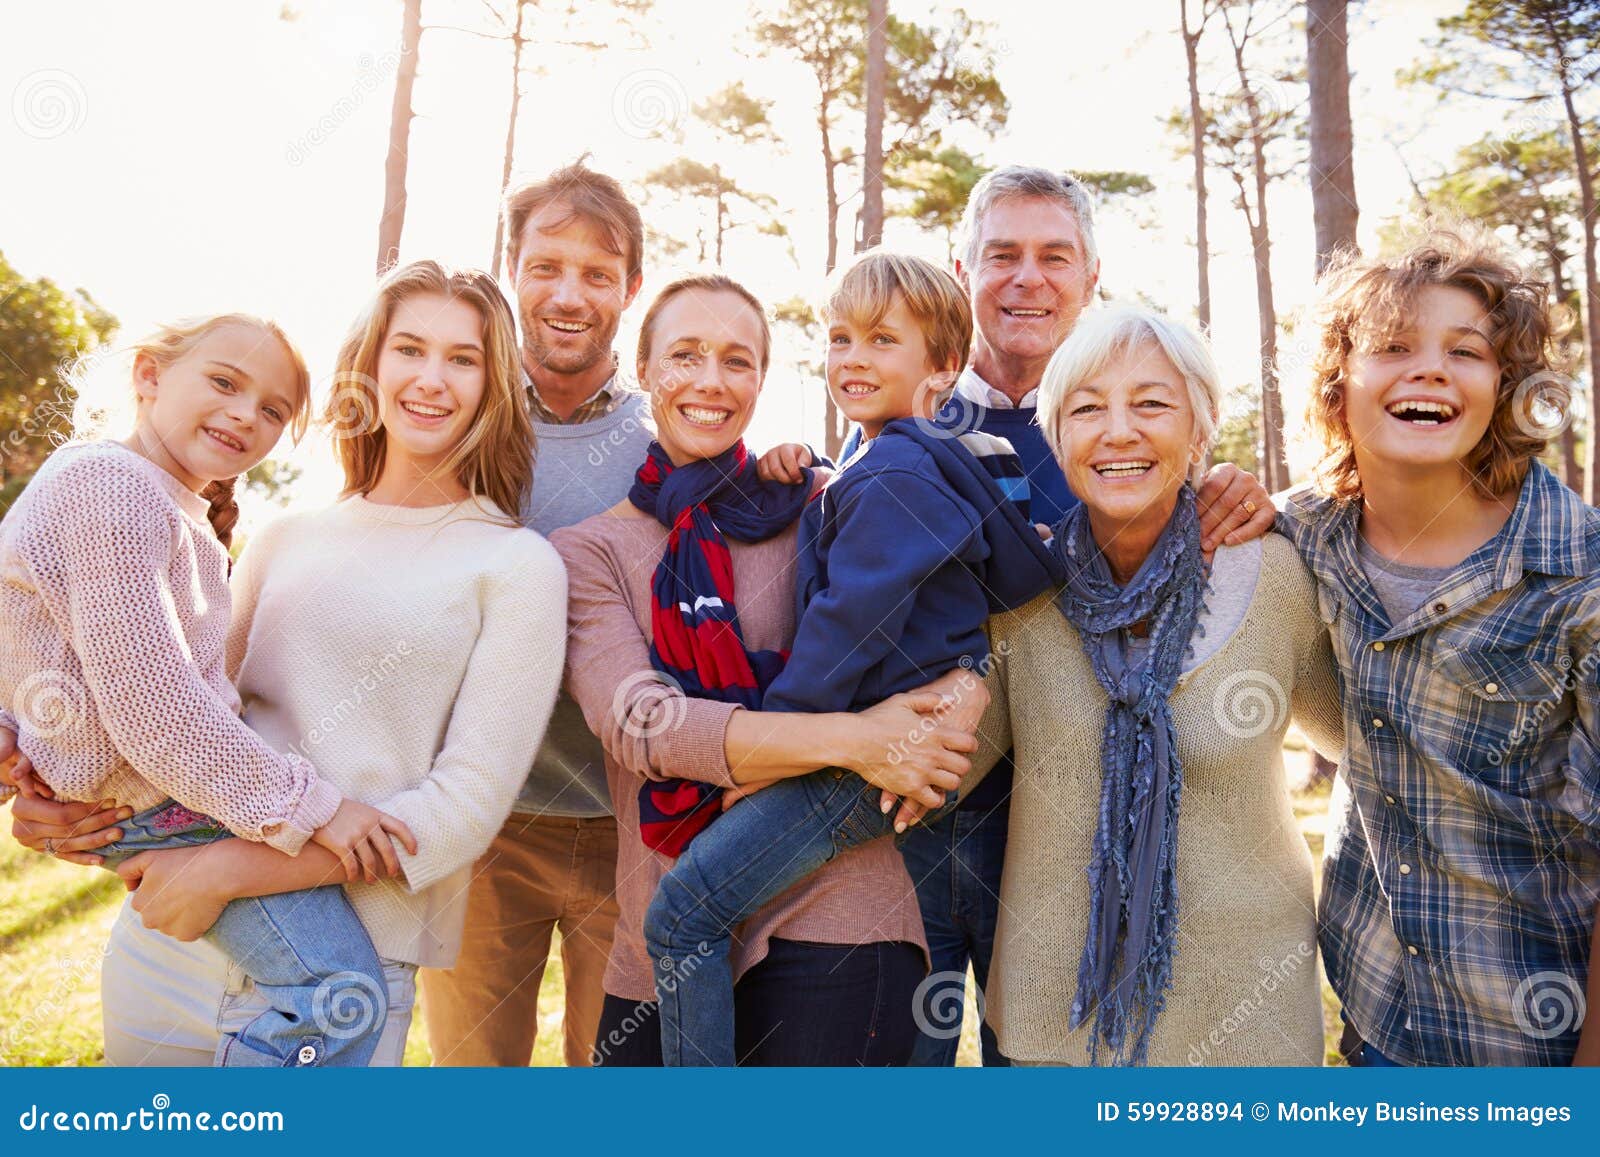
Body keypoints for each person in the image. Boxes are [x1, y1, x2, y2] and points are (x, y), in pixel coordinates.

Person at [761, 165, 1277, 1064]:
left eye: (1053, 257)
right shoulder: (897, 410)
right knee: (893, 1061)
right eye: (1002, 255)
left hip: (1052, 837)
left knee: (1035, 1061)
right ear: (964, 273)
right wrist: (779, 471)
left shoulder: (1119, 428)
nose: (1026, 278)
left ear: (1091, 277)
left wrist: (1235, 487)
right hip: (902, 816)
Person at [5, 261, 567, 1067]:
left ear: (492, 385)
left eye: (463, 358)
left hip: (345, 974)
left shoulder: (516, 566)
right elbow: (165, 717)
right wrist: (51, 803)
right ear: (369, 369)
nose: (431, 379)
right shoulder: (281, 538)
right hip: (170, 952)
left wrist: (230, 869)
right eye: (408, 349)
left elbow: (463, 808)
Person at [638, 252, 1060, 1066]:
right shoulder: (906, 463)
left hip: (855, 765)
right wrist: (823, 476)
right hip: (871, 753)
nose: (853, 358)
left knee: (682, 913)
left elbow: (849, 622)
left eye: (881, 340)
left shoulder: (898, 471)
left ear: (943, 367)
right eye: (839, 339)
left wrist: (767, 751)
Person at [554, 272, 984, 1066]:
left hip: (839, 919)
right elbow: (645, 728)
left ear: (761, 377)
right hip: (661, 937)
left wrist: (970, 686)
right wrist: (853, 738)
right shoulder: (591, 552)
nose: (711, 382)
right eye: (685, 355)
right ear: (643, 370)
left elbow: (950, 622)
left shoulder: (824, 502)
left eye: (737, 360)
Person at [0, 312, 418, 1067]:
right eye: (225, 382)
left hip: (153, 795)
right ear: (149, 375)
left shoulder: (154, 497)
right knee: (341, 993)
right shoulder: (111, 485)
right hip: (164, 803)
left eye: (272, 410)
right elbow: (153, 708)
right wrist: (315, 806)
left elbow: (40, 625)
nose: (243, 415)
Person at [967, 304, 1343, 1065]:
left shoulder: (1277, 575)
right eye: (1087, 408)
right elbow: (956, 764)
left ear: (1200, 431)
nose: (1117, 430)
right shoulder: (1021, 593)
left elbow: (1366, 742)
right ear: (1058, 436)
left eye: (1151, 403)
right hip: (1052, 1029)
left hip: (1248, 1032)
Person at [1277, 229, 1600, 1066]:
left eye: (1467, 351)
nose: (1429, 369)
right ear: (1337, 385)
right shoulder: (1302, 537)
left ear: (1506, 389)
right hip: (1378, 1019)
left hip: (1535, 1039)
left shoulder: (1580, 576)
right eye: (1392, 347)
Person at [416, 162, 650, 1067]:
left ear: (631, 289)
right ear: (511, 269)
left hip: (631, 826)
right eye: (546, 265)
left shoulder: (667, 436)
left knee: (614, 1084)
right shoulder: (453, 421)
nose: (568, 293)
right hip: (481, 825)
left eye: (598, 273)